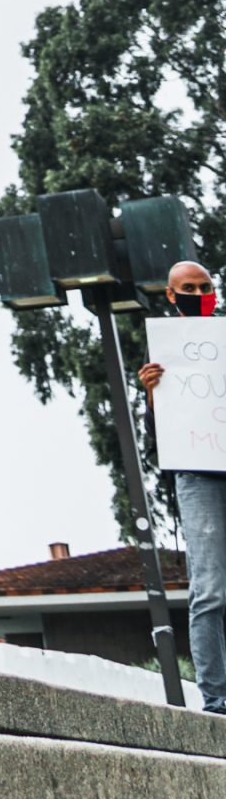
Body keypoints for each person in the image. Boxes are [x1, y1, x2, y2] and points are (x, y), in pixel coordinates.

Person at [139, 259, 226, 714]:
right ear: (171, 295)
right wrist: (152, 393)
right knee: (210, 588)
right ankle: (217, 698)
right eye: (188, 288)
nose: (198, 294)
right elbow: (161, 433)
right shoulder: (164, 349)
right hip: (197, 472)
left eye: (204, 286)